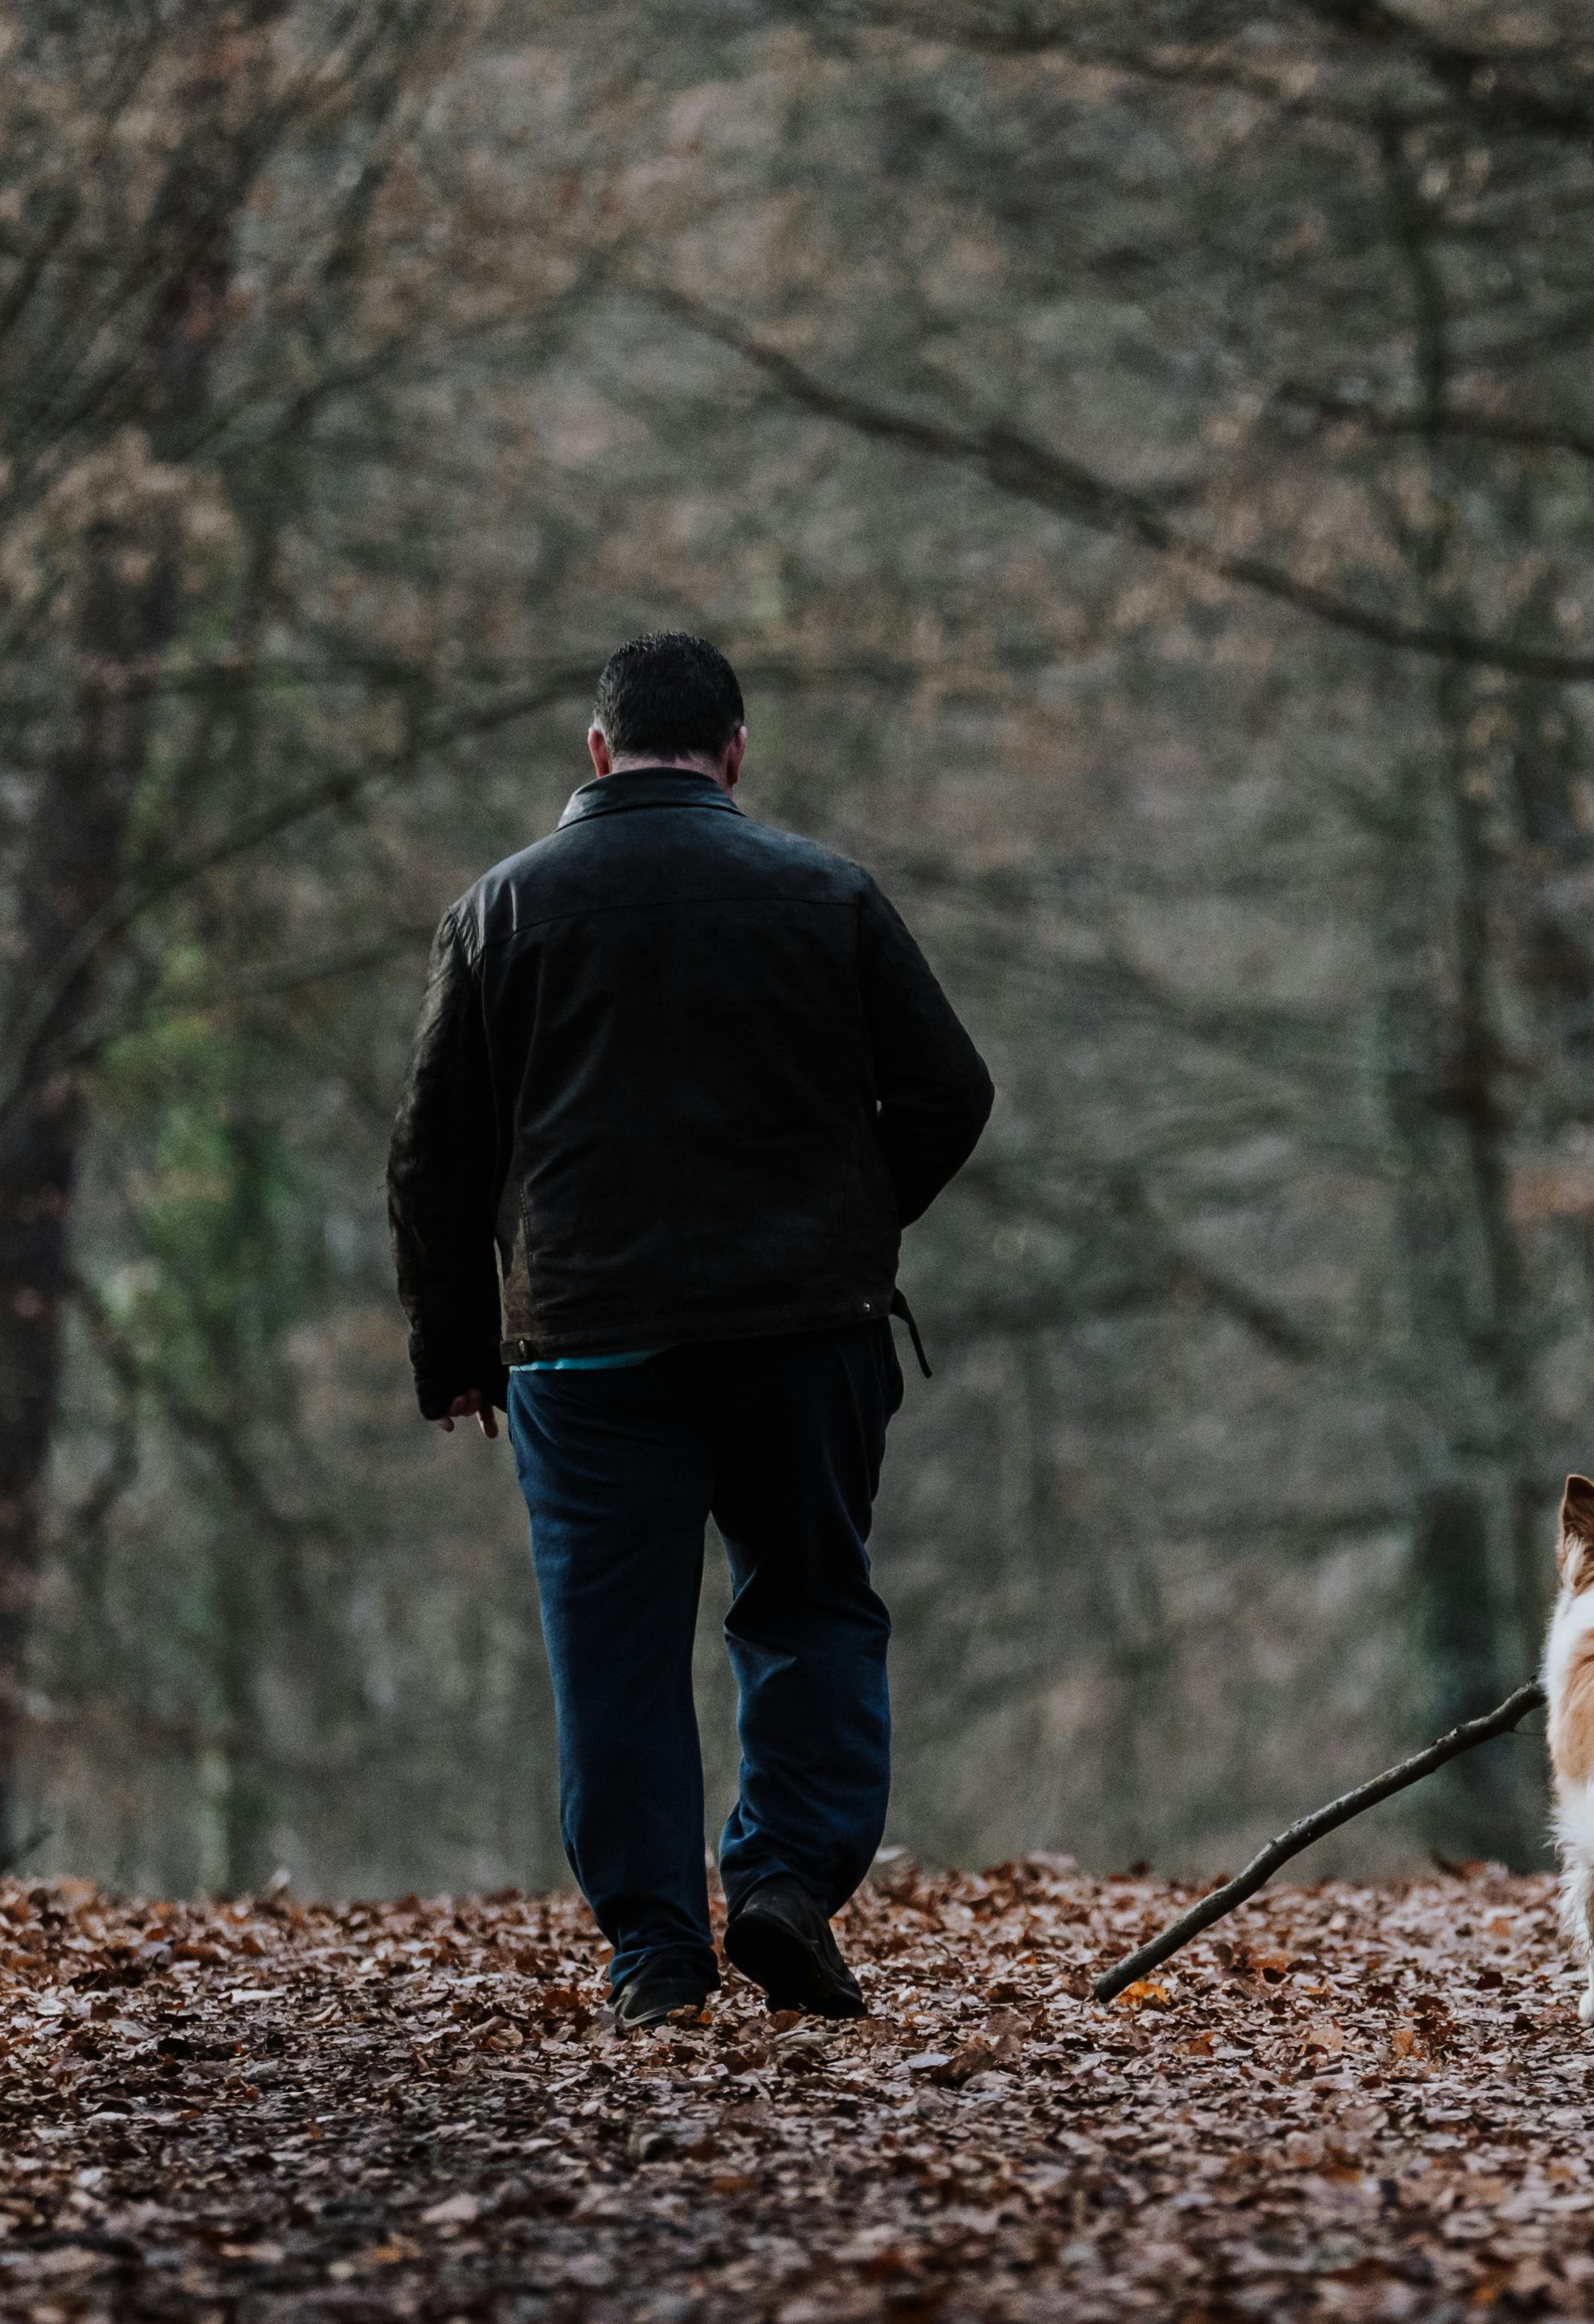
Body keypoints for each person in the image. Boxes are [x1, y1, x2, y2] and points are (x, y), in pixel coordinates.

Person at [386, 633, 994, 2029]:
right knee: (810, 1601)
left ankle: (655, 1953)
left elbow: (433, 1160)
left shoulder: (498, 912)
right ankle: (783, 1879)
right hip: (800, 1334)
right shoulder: (827, 895)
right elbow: (951, 1092)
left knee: (616, 1647)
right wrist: (851, 1228)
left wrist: (455, 1353)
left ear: (596, 753)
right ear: (734, 752)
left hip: (588, 1351)